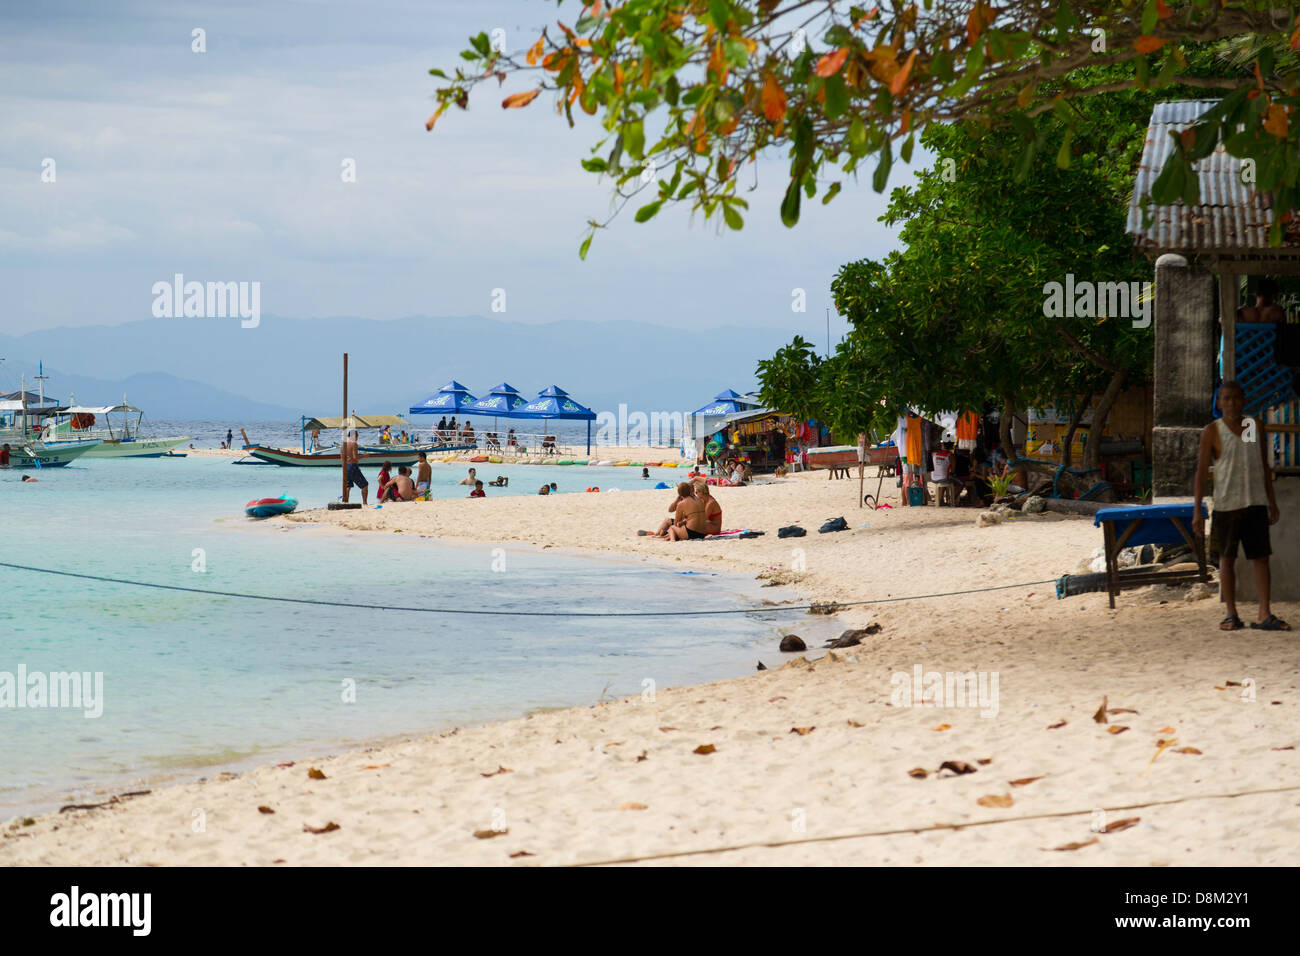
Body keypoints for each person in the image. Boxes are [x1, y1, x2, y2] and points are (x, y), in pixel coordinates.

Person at [1193, 380, 1289, 631]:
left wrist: (1271, 501)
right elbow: (1202, 473)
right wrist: (1197, 511)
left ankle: (1264, 613)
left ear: (1244, 401)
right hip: (1227, 504)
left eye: (1236, 398)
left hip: (1254, 502)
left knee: (1260, 558)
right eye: (1226, 399)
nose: (1232, 403)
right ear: (1219, 403)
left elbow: (1260, 464)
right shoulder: (1212, 431)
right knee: (1227, 559)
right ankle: (1231, 614)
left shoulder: (1251, 426)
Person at [342, 427, 368, 504]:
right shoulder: (354, 444)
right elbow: (355, 458)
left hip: (345, 467)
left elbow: (342, 458)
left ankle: (346, 502)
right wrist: (364, 456)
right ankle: (365, 503)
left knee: (348, 486)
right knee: (365, 485)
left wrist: (344, 468)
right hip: (352, 466)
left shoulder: (343, 444)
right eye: (357, 436)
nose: (357, 438)